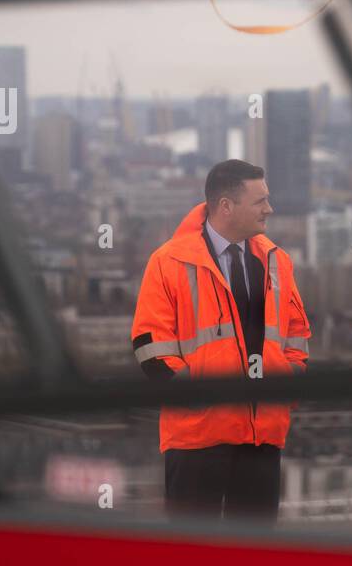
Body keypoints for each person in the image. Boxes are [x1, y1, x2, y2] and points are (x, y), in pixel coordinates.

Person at [131, 159, 311, 523]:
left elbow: (297, 337)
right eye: (260, 201)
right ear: (226, 206)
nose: (269, 210)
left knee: (254, 560)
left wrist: (284, 387)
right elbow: (150, 347)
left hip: (261, 435)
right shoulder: (168, 262)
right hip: (198, 437)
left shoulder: (278, 262)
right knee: (194, 561)